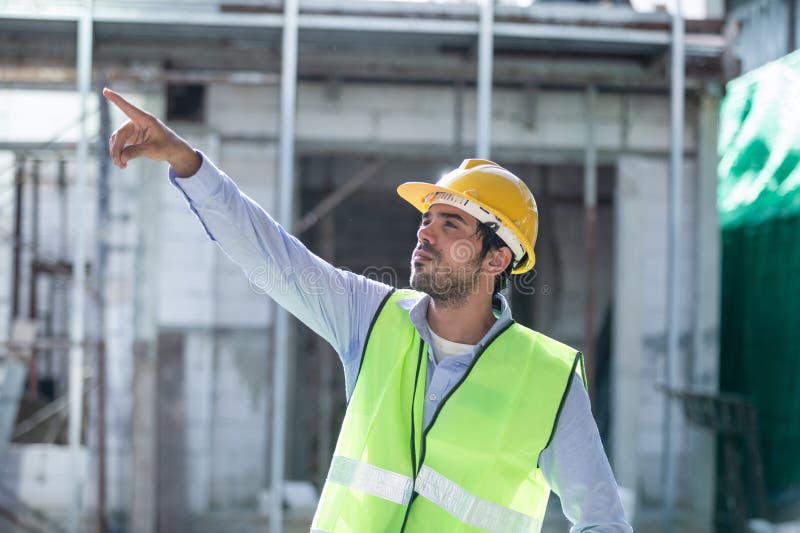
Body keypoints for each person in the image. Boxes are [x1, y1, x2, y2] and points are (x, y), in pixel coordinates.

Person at [103, 87, 632, 532]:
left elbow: (603, 520)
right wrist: (186, 162)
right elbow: (270, 254)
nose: (426, 232)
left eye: (451, 225)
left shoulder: (549, 380)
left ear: (496, 258)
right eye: (428, 219)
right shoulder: (371, 318)